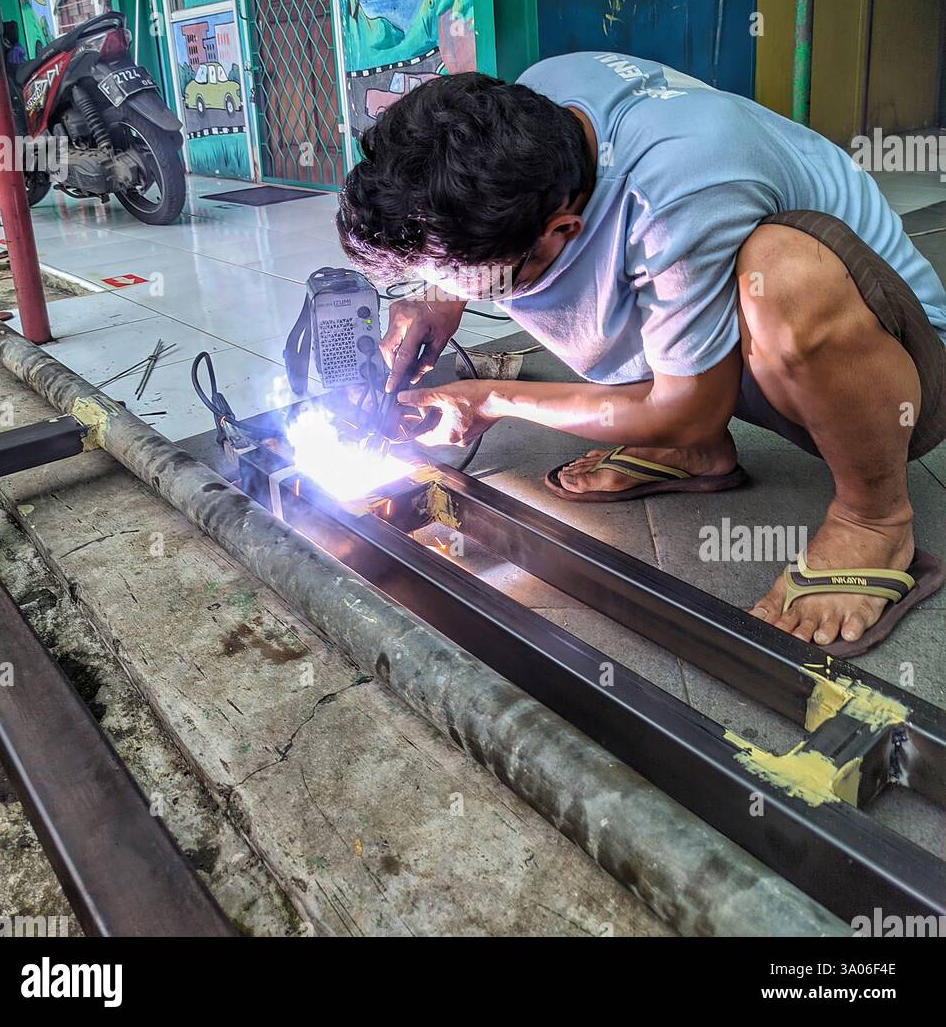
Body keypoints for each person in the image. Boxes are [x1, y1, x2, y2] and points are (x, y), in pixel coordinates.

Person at [336, 53, 946, 654]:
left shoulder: (681, 193)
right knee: (644, 285)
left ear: (559, 230)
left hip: (889, 368)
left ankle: (875, 519)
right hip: (741, 323)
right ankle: (696, 454)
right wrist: (438, 291)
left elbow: (687, 405)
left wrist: (491, 398)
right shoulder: (542, 104)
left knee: (781, 269)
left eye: (481, 280)